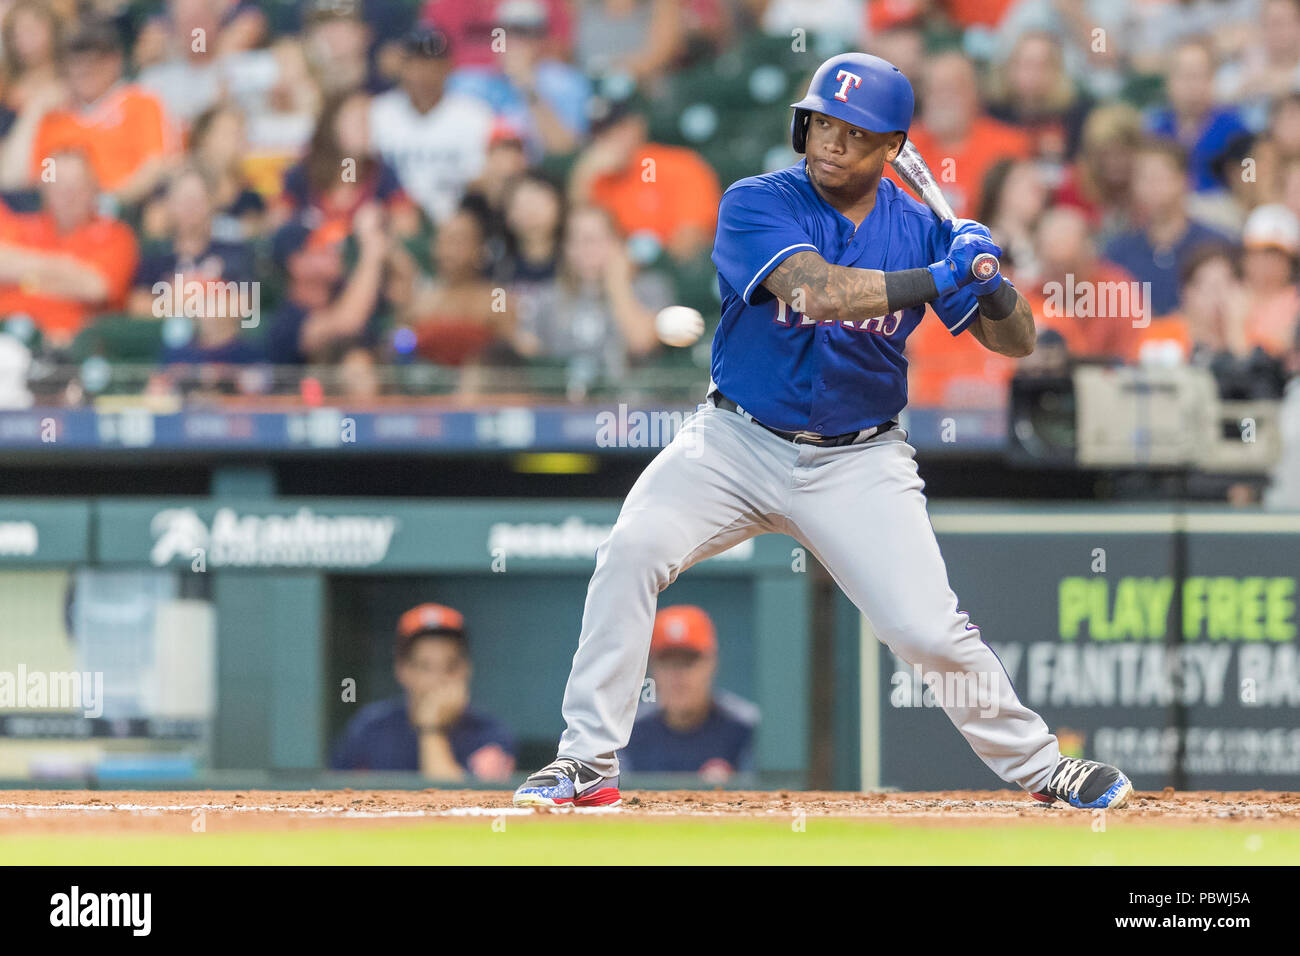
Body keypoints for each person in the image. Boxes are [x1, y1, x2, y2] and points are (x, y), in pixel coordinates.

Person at [513, 52, 1133, 811]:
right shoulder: (756, 201)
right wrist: (944, 278)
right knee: (631, 551)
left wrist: (990, 282)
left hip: (860, 457)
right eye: (822, 124)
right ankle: (586, 762)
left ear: (892, 148)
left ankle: (1043, 767)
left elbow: (1017, 343)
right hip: (735, 441)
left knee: (926, 629)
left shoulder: (921, 229)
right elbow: (818, 293)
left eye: (854, 132)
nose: (832, 142)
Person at [331, 603, 516, 780]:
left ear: (466, 669)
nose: (438, 679)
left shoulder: (490, 734)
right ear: (402, 670)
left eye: (450, 666)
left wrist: (432, 730)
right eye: (425, 667)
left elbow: (460, 807)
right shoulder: (370, 727)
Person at [20, 17, 180, 206]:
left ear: (115, 60)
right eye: (77, 61)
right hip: (61, 215)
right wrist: (35, 110)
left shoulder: (140, 102)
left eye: (95, 60)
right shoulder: (54, 116)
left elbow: (155, 165)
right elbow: (38, 177)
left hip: (126, 209)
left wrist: (109, 201)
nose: (85, 69)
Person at [0, 149, 137, 348]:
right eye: (59, 187)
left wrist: (25, 276)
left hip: (73, 348)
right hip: (8, 336)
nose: (68, 195)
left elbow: (96, 287)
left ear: (94, 189)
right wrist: (66, 269)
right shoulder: (22, 228)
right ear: (44, 190)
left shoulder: (116, 235)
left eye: (77, 187)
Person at [512, 205, 667, 380]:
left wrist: (618, 283)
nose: (583, 249)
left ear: (617, 243)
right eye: (575, 240)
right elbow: (529, 361)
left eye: (593, 239)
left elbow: (641, 343)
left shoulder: (649, 287)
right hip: (563, 402)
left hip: (631, 403)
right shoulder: (547, 296)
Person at [128, 165, 260, 365]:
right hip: (167, 356)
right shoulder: (156, 254)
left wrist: (176, 298)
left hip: (224, 355)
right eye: (183, 200)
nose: (190, 207)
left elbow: (243, 303)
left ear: (212, 203)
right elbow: (138, 305)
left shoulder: (234, 251)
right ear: (170, 205)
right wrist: (207, 298)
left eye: (197, 200)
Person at [568, 97, 721, 262]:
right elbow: (581, 241)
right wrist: (582, 175)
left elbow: (689, 242)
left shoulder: (680, 165)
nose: (611, 140)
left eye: (619, 128)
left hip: (674, 272)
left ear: (637, 126)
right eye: (601, 134)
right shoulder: (596, 180)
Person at [369, 27, 494, 226]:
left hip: (454, 223)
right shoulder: (378, 113)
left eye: (431, 64)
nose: (422, 74)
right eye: (414, 65)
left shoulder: (474, 115)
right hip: (391, 222)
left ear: (448, 67)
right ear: (402, 68)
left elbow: (481, 181)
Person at [620, 605, 758, 782]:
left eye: (688, 661)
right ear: (652, 667)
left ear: (711, 663)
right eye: (667, 662)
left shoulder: (744, 728)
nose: (677, 675)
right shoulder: (628, 732)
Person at [893, 51, 1033, 220]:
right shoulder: (898, 147)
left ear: (975, 93)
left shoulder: (1010, 146)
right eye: (933, 89)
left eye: (951, 89)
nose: (941, 98)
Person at [1103, 139, 1235, 317]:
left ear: (1185, 181)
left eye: (1158, 177)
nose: (1150, 186)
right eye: (1142, 177)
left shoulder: (1217, 245)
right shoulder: (1118, 252)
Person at [445, 0, 591, 159]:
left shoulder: (565, 81)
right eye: (506, 32)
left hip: (537, 172)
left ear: (541, 38)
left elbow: (563, 148)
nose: (515, 41)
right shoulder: (467, 81)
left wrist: (527, 85)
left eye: (525, 32)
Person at [1146, 38, 1251, 195]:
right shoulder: (1156, 130)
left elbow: (1250, 180)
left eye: (1198, 75)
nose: (1191, 85)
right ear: (1169, 81)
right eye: (1184, 75)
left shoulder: (1235, 128)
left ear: (1212, 79)